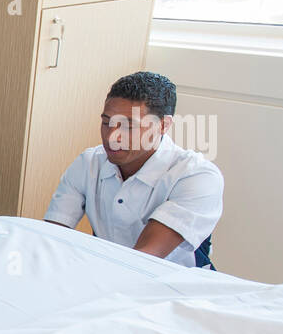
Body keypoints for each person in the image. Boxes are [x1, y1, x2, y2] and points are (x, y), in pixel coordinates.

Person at [44, 71, 222, 268]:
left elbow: (140, 259)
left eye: (129, 127)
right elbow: (50, 238)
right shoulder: (89, 163)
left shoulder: (197, 176)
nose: (112, 136)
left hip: (176, 290)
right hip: (111, 275)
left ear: (163, 125)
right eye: (106, 123)